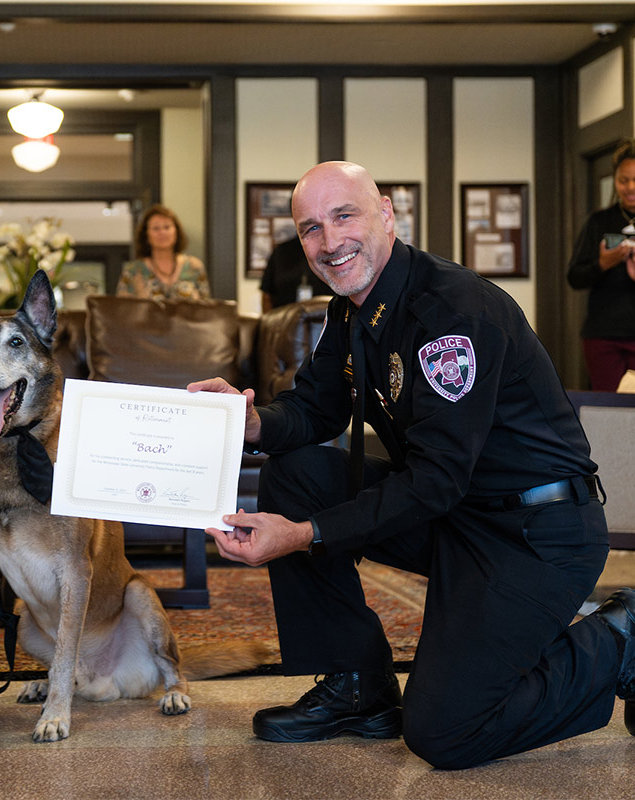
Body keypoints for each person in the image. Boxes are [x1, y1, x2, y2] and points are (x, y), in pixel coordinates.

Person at [189, 161, 635, 771]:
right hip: (457, 516)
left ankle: (621, 638)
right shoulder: (352, 309)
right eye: (311, 228)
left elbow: (435, 480)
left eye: (344, 216)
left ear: (387, 214)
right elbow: (314, 408)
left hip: (534, 535)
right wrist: (251, 423)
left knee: (445, 732)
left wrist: (303, 535)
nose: (329, 241)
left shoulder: (453, 313)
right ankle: (358, 687)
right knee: (295, 474)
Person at [567, 138, 635, 391]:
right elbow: (574, 277)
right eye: (623, 180)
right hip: (603, 334)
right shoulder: (599, 222)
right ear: (615, 181)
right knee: (608, 406)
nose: (630, 187)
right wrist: (603, 264)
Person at [116, 203, 211, 300]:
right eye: (156, 228)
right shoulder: (132, 271)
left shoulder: (194, 267)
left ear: (176, 232)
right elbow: (123, 307)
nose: (162, 232)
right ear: (146, 235)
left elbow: (206, 305)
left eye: (167, 227)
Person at [260, 235, 334, 311]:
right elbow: (266, 295)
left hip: (327, 315)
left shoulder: (332, 250)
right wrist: (269, 318)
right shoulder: (280, 252)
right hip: (284, 316)